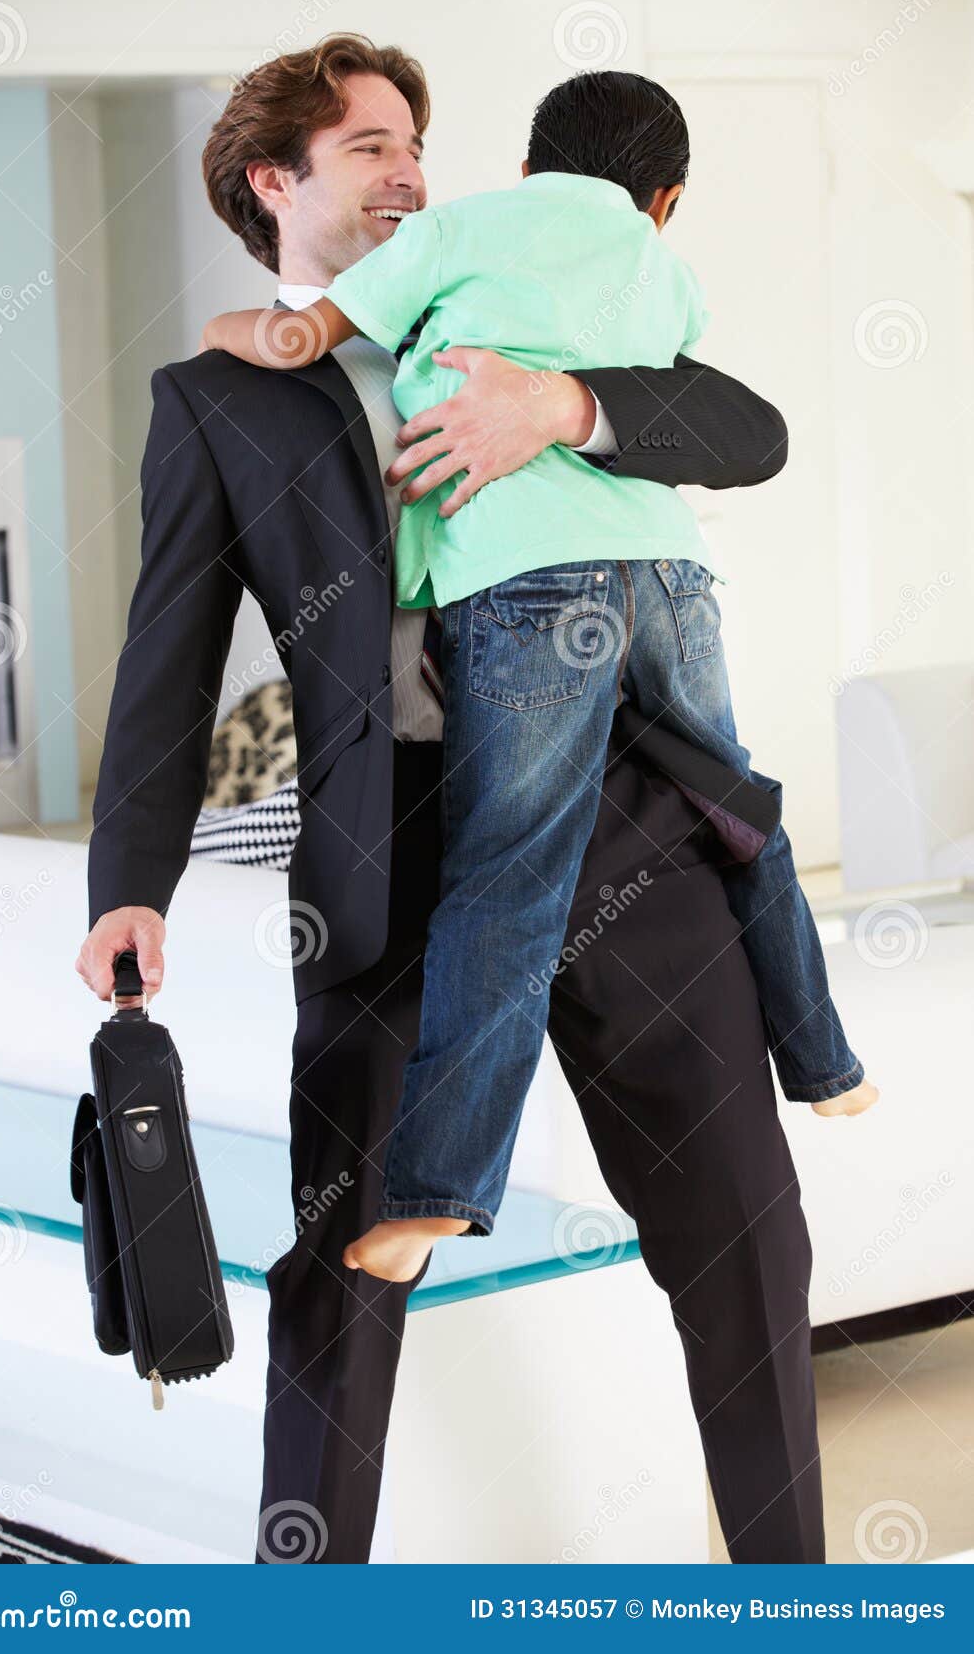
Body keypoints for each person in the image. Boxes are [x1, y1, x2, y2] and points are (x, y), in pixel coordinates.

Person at [78, 35, 827, 1563]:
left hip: (623, 818)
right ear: (273, 183)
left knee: (747, 1237)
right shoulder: (218, 397)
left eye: (415, 139)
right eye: (367, 145)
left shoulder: (525, 309)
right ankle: (307, 1603)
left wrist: (561, 407)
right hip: (390, 848)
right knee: (343, 1274)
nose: (410, 164)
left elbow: (747, 431)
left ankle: (791, 1600)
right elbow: (166, 658)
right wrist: (126, 878)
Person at [202, 69, 877, 1282]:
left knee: (506, 881)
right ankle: (825, 1062)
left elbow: (314, 332)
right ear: (664, 200)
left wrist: (239, 336)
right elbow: (685, 396)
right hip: (668, 578)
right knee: (743, 809)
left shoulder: (462, 229)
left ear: (520, 168)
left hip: (528, 588)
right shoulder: (660, 265)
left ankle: (437, 1193)